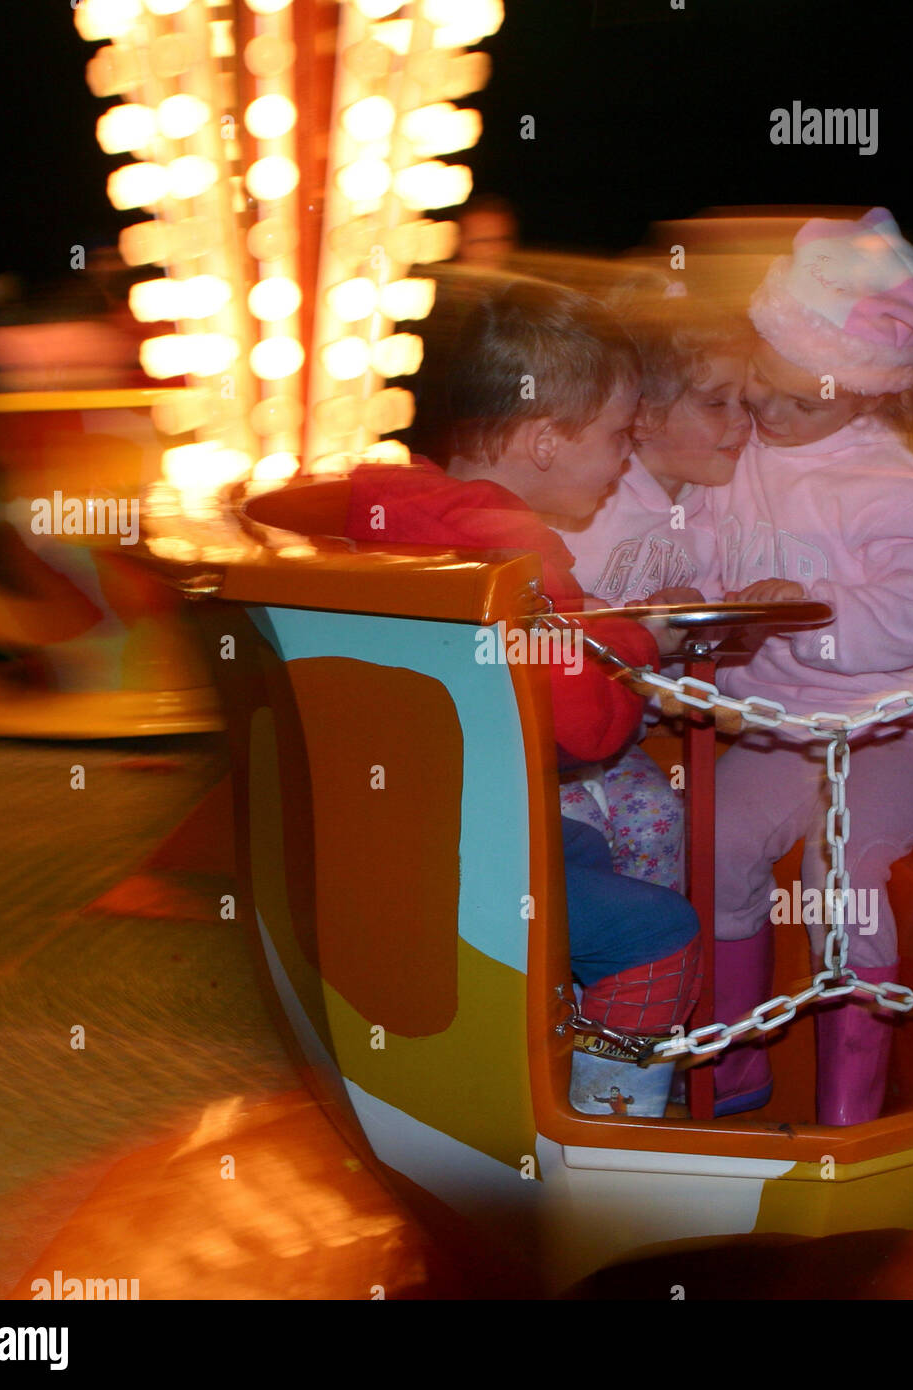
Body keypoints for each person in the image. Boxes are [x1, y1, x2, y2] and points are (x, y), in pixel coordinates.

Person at [340, 280, 702, 1115]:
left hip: (387, 832)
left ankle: (535, 1067)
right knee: (659, 931)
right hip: (455, 857)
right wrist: (645, 639)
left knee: (581, 846)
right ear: (543, 439)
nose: (625, 456)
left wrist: (607, 629)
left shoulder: (389, 508)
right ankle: (613, 1123)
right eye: (616, 433)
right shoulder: (513, 557)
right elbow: (584, 727)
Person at [710, 208, 913, 1125]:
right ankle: (734, 1071)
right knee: (709, 836)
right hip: (790, 720)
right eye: (764, 385)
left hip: (911, 724)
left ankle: (849, 1106)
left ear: (867, 394)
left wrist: (800, 615)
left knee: (845, 860)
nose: (773, 414)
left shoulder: (892, 483)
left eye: (806, 400)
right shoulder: (741, 453)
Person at [551, 297, 752, 891]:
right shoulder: (590, 495)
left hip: (619, 741)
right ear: (644, 417)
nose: (743, 423)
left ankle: (653, 976)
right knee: (576, 837)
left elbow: (712, 627)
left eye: (746, 402)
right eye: (716, 403)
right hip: (548, 737)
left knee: (660, 820)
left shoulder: (717, 503)